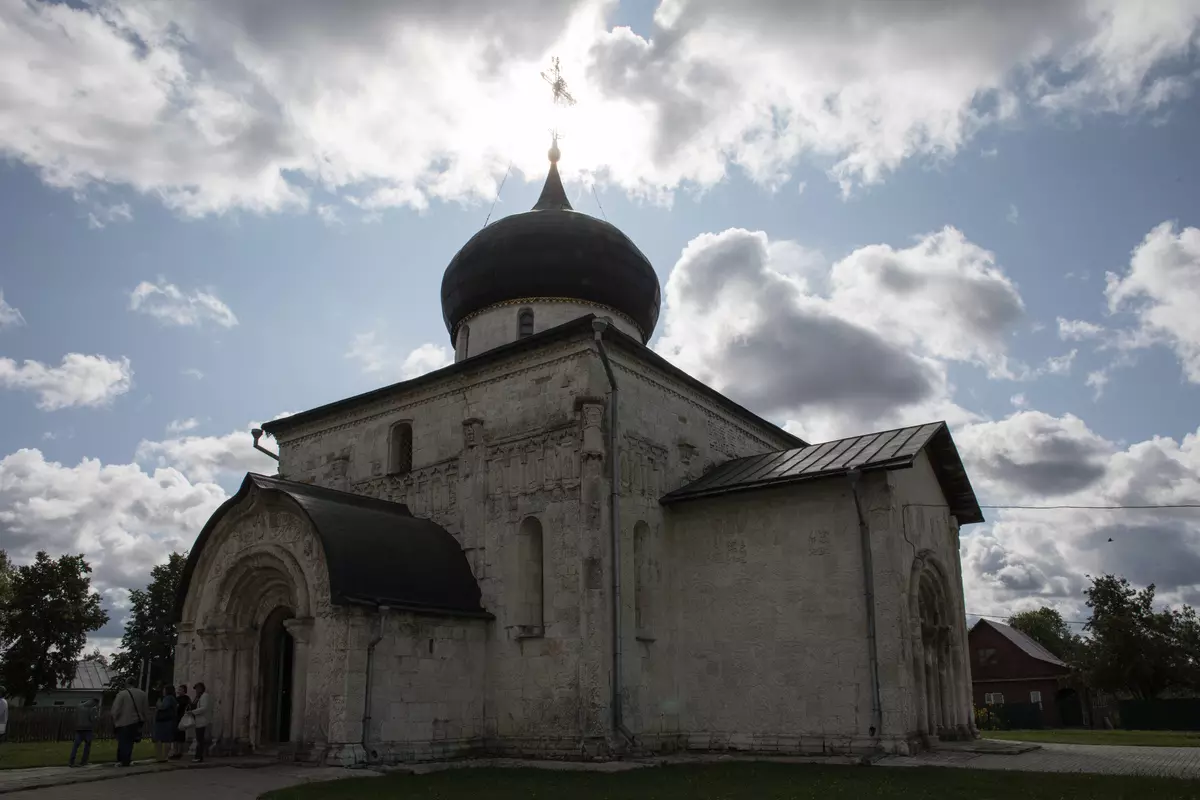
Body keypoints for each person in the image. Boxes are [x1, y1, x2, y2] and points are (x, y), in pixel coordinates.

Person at [110, 679, 149, 767]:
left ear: (127, 683)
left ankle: (122, 760)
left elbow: (116, 709)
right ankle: (127, 758)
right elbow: (145, 709)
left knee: (123, 741)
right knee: (130, 742)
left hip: (123, 721)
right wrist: (145, 720)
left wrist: (114, 719)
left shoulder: (122, 694)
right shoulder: (143, 694)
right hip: (136, 722)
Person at [68, 698, 99, 767]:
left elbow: (74, 716)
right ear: (94, 702)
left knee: (75, 745)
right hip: (88, 729)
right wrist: (96, 716)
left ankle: (71, 761)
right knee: (87, 745)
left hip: (79, 728)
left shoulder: (79, 706)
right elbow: (92, 719)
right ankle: (84, 761)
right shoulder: (92, 708)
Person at [151, 685, 177, 763]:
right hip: (168, 720)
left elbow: (163, 706)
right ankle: (165, 756)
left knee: (160, 739)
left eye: (164, 690)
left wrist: (158, 703)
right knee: (167, 740)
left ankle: (160, 757)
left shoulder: (168, 698)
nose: (163, 691)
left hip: (163, 721)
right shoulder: (173, 698)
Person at [190, 682, 211, 763]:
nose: (197, 690)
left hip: (202, 720)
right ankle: (198, 755)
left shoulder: (205, 696)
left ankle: (199, 756)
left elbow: (204, 708)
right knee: (198, 738)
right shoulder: (198, 696)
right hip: (197, 720)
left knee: (200, 739)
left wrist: (193, 712)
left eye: (198, 688)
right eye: (196, 688)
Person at [170, 684, 191, 760]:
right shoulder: (177, 698)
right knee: (175, 736)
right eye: (178, 689)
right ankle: (175, 751)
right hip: (176, 718)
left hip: (182, 718)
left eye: (181, 690)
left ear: (184, 691)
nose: (179, 691)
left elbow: (183, 706)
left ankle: (179, 752)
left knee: (180, 736)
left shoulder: (185, 698)